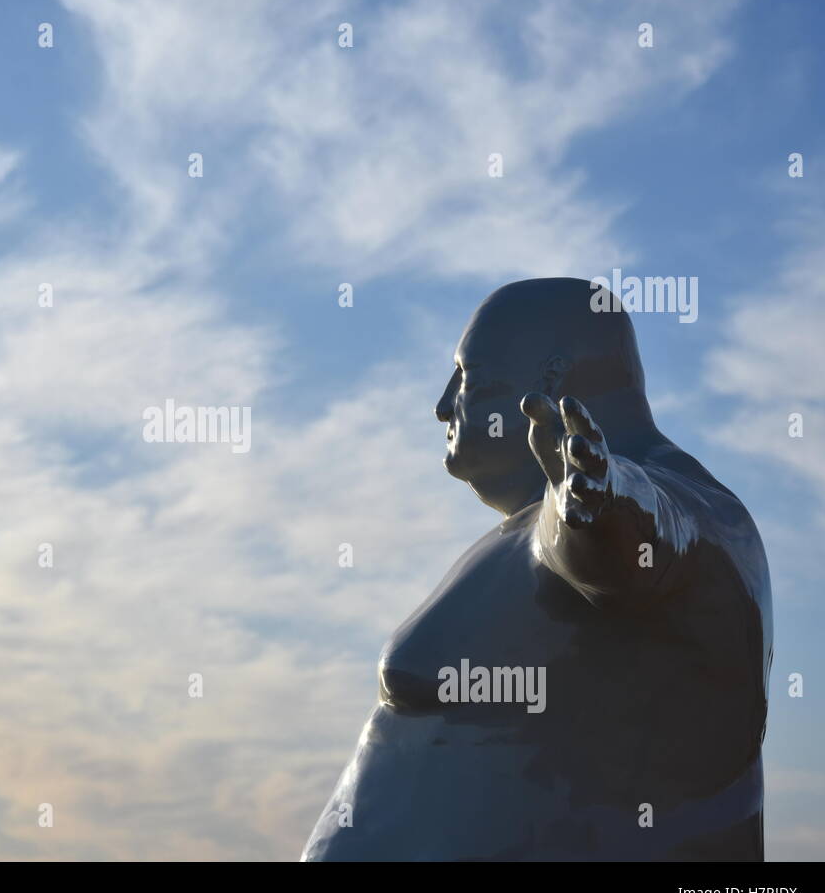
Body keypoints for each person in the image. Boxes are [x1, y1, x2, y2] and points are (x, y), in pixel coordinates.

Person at [302, 278, 773, 861]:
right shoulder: (518, 534)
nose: (443, 404)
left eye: (466, 375)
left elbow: (642, 544)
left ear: (548, 380)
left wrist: (602, 502)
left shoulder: (680, 506)